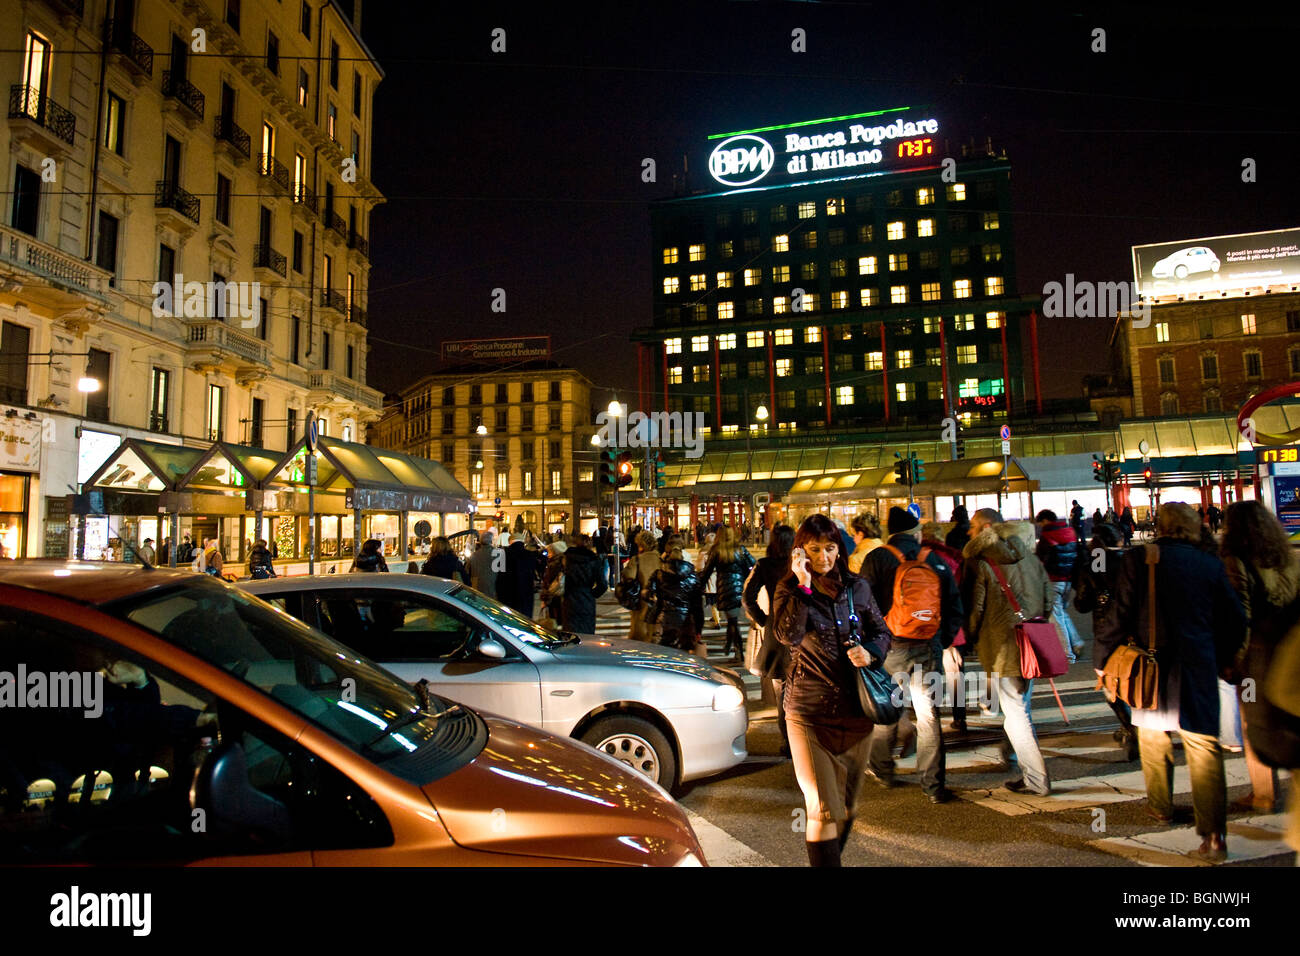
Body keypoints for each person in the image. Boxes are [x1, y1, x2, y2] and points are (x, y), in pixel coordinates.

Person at [1095, 502, 1247, 863]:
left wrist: (1102, 660)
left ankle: (1160, 806)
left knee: (1152, 740)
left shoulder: (1139, 560)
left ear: (1159, 525)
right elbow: (1235, 619)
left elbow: (1119, 613)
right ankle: (1214, 836)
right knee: (1203, 749)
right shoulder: (1209, 564)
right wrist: (1223, 659)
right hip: (1197, 666)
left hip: (1151, 667)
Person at [771, 514, 892, 866]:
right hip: (809, 713)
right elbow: (787, 635)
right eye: (814, 549)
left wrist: (870, 652)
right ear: (800, 552)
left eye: (830, 548)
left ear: (839, 549)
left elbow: (883, 632)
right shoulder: (790, 589)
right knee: (823, 809)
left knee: (845, 809)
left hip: (856, 713)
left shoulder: (858, 587)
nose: (823, 556)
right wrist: (804, 585)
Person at [860, 507, 963, 803]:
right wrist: (940, 641)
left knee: (886, 710)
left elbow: (865, 606)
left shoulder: (877, 558)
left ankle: (883, 771)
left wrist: (873, 645)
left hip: (890, 649)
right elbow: (954, 606)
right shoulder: (933, 559)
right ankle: (933, 785)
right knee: (929, 717)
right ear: (916, 533)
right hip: (927, 647)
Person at [962, 510, 1055, 795]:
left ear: (986, 528)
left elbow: (976, 609)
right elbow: (1048, 597)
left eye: (973, 527)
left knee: (1016, 715)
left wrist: (970, 638)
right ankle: (1027, 772)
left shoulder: (982, 561)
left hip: (1002, 646)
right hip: (1031, 642)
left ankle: (1037, 780)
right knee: (1021, 708)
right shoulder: (1029, 556)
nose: (969, 532)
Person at [1220, 501, 1300, 813]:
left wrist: (1235, 662)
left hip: (1256, 659)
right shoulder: (1289, 558)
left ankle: (1264, 794)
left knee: (1254, 721)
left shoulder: (1236, 560)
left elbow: (1242, 615)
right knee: (1292, 721)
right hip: (1291, 652)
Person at [1073, 521, 1138, 760]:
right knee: (1136, 678)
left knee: (1111, 685)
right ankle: (1134, 727)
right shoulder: (1132, 560)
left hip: (1106, 630)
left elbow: (1082, 602)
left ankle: (1130, 729)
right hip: (1134, 628)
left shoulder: (1096, 562)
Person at [743, 524, 796, 755]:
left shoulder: (765, 565)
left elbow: (747, 597)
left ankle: (788, 741)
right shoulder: (799, 564)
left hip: (776, 633)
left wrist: (763, 619)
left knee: (782, 690)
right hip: (801, 630)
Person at [921, 521, 971, 734]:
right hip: (954, 626)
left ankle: (931, 718)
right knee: (956, 675)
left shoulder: (922, 558)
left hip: (928, 624)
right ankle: (960, 718)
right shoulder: (955, 558)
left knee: (930, 675)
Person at [1035, 509, 1085, 663]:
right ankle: (1076, 642)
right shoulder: (1070, 531)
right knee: (1062, 613)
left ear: (1045, 521)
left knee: (1055, 617)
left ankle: (1067, 653)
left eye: (1040, 523)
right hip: (1068, 580)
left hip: (1053, 580)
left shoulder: (1047, 536)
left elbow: (1041, 560)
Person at [701, 526, 755, 663]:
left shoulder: (717, 550)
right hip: (738, 588)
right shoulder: (740, 550)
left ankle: (738, 651)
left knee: (733, 621)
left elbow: (707, 571)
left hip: (724, 587)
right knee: (732, 619)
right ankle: (729, 644)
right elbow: (753, 564)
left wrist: (699, 585)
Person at [644, 536, 702, 653]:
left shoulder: (659, 574)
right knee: (684, 657)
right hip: (685, 620)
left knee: (664, 655)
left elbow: (648, 594)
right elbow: (697, 605)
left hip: (664, 618)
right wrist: (698, 628)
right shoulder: (692, 576)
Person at [561, 533, 608, 635]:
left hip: (570, 599)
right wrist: (592, 594)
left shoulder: (566, 558)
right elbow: (603, 585)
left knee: (570, 633)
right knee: (586, 633)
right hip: (586, 599)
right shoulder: (593, 559)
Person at [623, 530, 662, 642]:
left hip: (642, 602)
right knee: (655, 635)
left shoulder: (637, 560)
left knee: (640, 636)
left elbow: (628, 576)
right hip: (658, 602)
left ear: (641, 545)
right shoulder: (661, 559)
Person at [500, 532, 541, 619]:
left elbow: (499, 576)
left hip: (508, 594)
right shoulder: (530, 555)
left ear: (510, 542)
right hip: (526, 594)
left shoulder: (503, 555)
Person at [466, 531, 499, 599]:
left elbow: (467, 571)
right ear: (491, 541)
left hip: (477, 590)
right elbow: (503, 574)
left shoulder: (474, 555)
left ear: (480, 542)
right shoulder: (498, 555)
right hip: (494, 590)